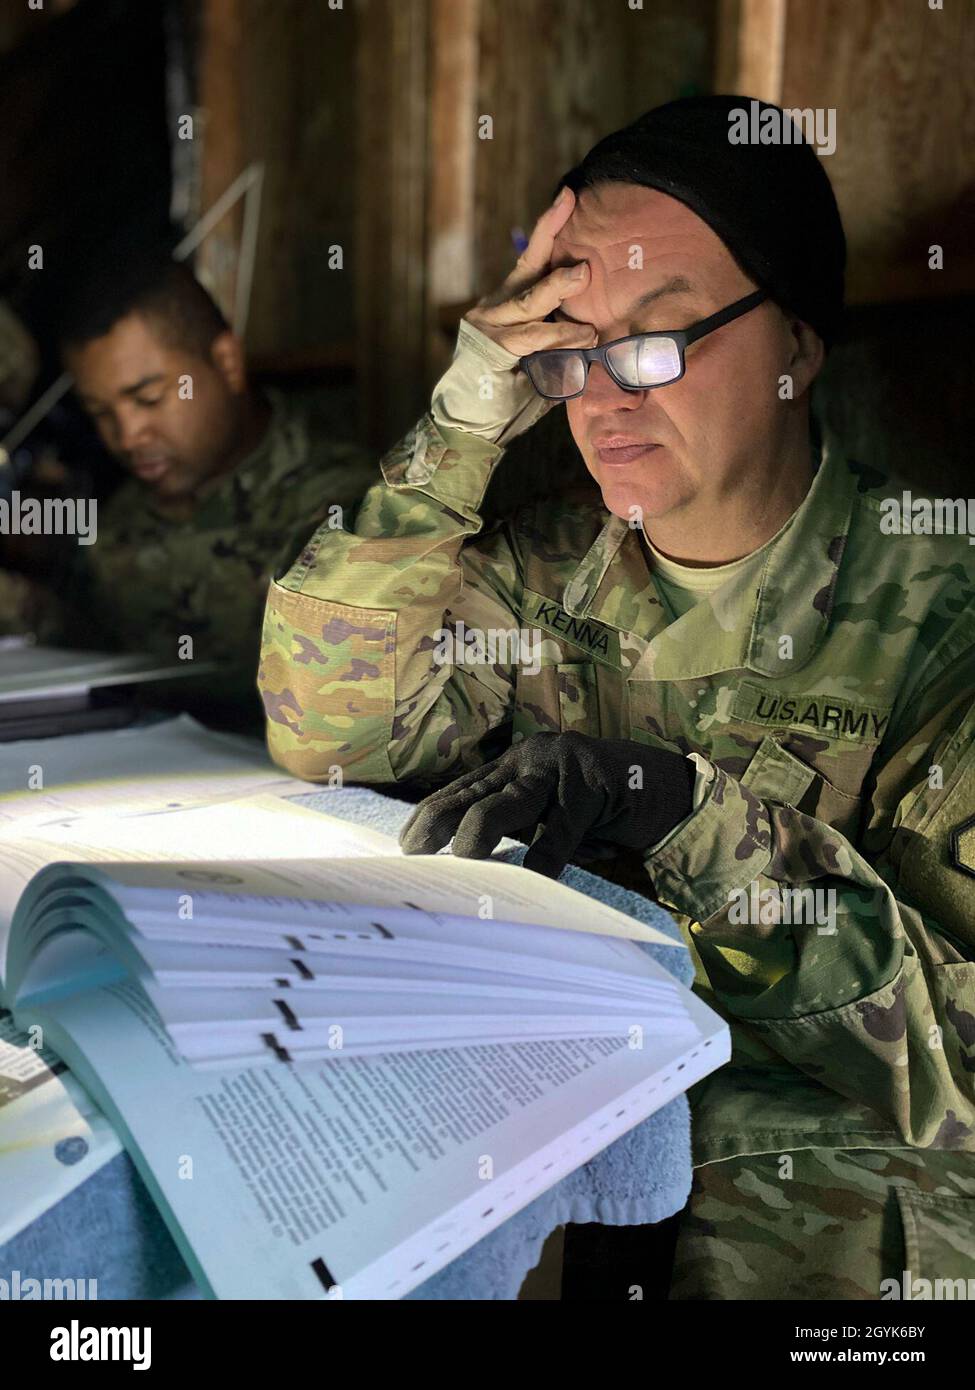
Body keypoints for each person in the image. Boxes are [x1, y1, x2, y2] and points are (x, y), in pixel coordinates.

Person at [257, 96, 975, 1299]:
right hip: (551, 1144)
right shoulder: (551, 570)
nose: (604, 397)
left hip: (819, 1199)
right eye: (569, 350)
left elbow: (957, 1055)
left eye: (659, 340)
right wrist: (465, 414)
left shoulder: (945, 620)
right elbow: (323, 726)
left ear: (797, 346)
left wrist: (681, 813)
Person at [1, 255, 375, 729]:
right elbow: (95, 652)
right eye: (101, 412)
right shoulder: (122, 516)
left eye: (149, 398)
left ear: (226, 362)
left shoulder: (348, 505)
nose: (128, 434)